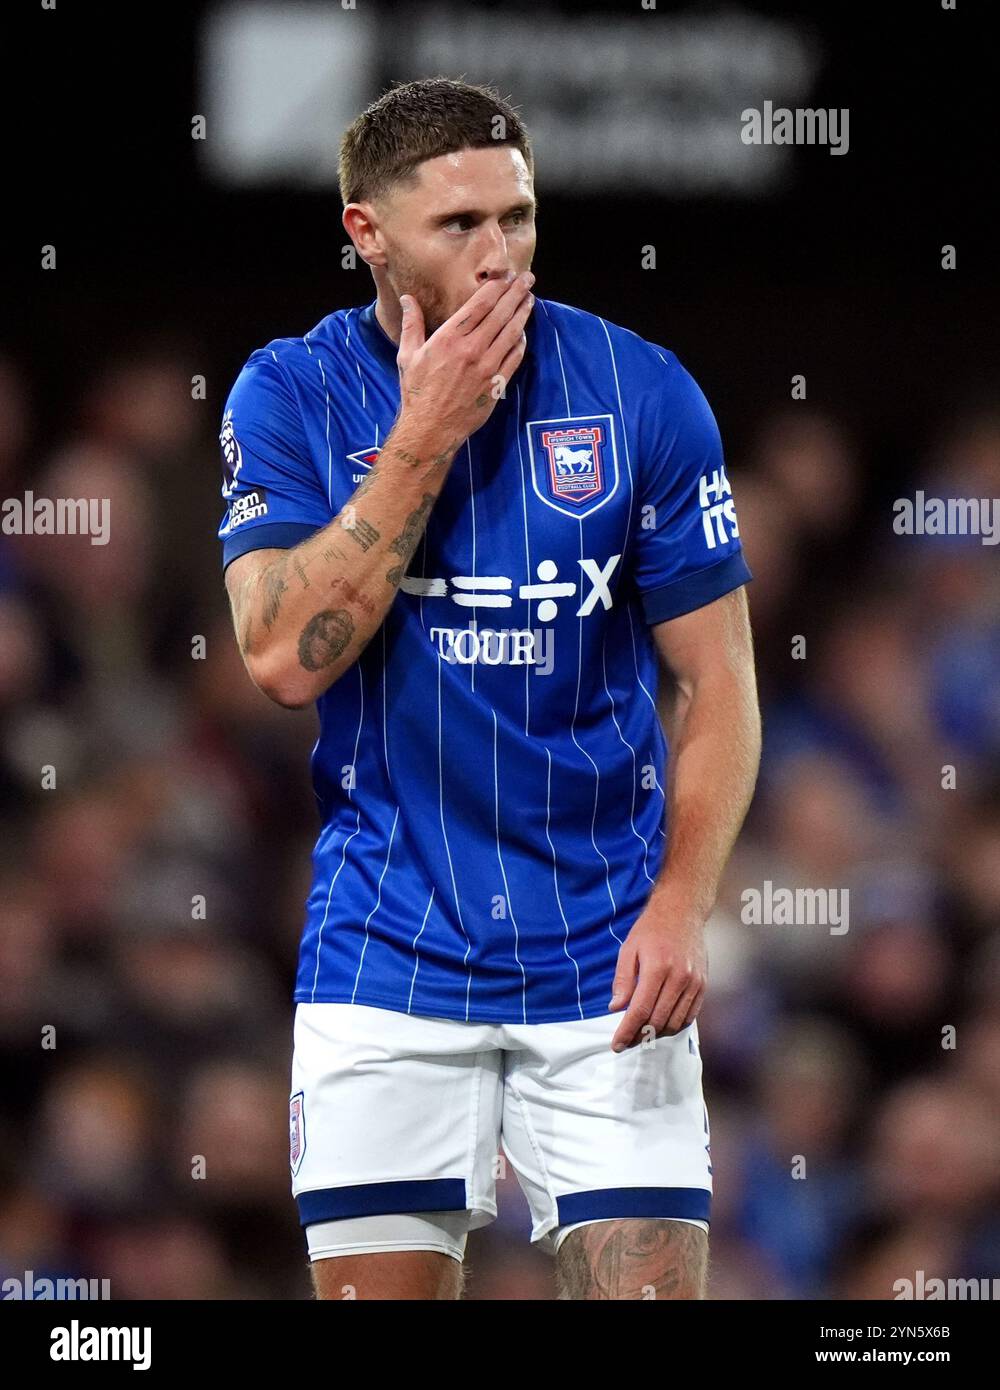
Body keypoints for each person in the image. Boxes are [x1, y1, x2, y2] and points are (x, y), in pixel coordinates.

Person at [217, 77, 760, 1300]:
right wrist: (425, 436)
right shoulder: (291, 394)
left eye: (516, 218)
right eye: (459, 226)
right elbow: (280, 658)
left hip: (606, 955)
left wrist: (682, 902)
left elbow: (718, 681)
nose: (500, 253)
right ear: (368, 233)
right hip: (387, 954)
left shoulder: (641, 392)